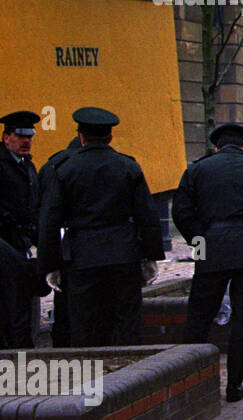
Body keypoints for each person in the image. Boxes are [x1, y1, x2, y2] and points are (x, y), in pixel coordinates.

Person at [172, 122, 243, 402]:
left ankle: (192, 384)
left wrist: (198, 240)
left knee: (199, 316)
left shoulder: (198, 170)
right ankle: (235, 385)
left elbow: (181, 212)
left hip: (212, 248)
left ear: (216, 147)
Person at [37, 107, 165, 346]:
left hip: (82, 256)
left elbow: (50, 220)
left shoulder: (64, 169)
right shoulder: (128, 166)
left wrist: (50, 264)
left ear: (82, 137)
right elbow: (146, 215)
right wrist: (151, 255)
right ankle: (132, 376)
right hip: (123, 253)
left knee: (84, 324)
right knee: (127, 321)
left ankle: (92, 376)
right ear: (110, 137)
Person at [37, 135, 83, 348]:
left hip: (66, 246)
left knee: (65, 304)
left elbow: (46, 216)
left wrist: (48, 263)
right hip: (108, 250)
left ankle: (64, 347)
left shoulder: (54, 166)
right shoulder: (122, 163)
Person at [0, 111, 41, 348]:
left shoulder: (28, 166)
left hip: (20, 244)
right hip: (5, 244)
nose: (26, 141)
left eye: (30, 136)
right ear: (7, 138)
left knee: (20, 302)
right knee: (12, 305)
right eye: (20, 136)